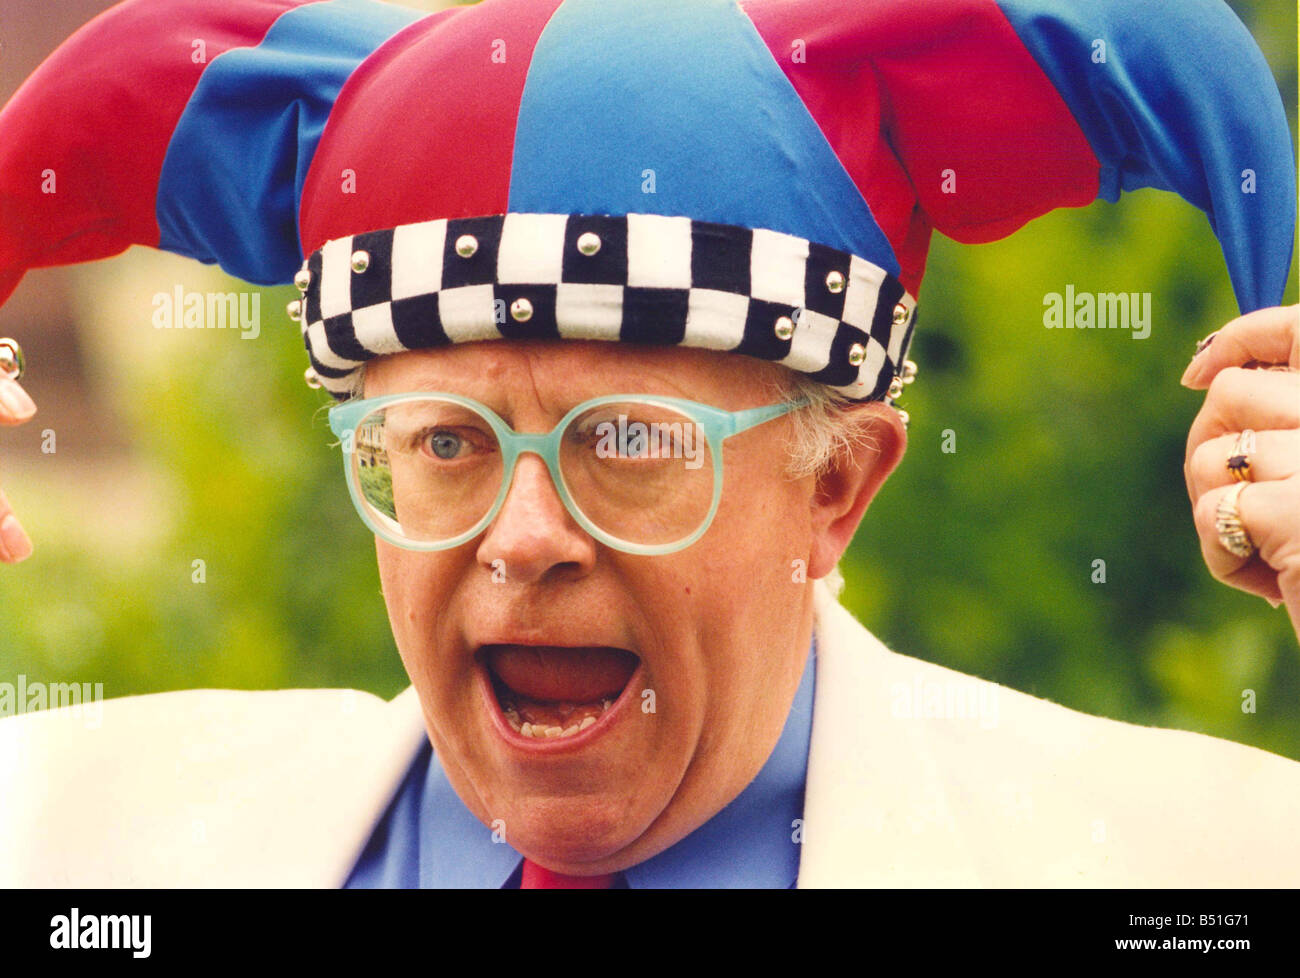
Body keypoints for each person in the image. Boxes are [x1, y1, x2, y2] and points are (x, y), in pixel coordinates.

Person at [0, 0, 1297, 887]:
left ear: (836, 486)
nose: (520, 539)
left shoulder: (1208, 861)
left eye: (625, 435)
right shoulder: (62, 830)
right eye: (446, 441)